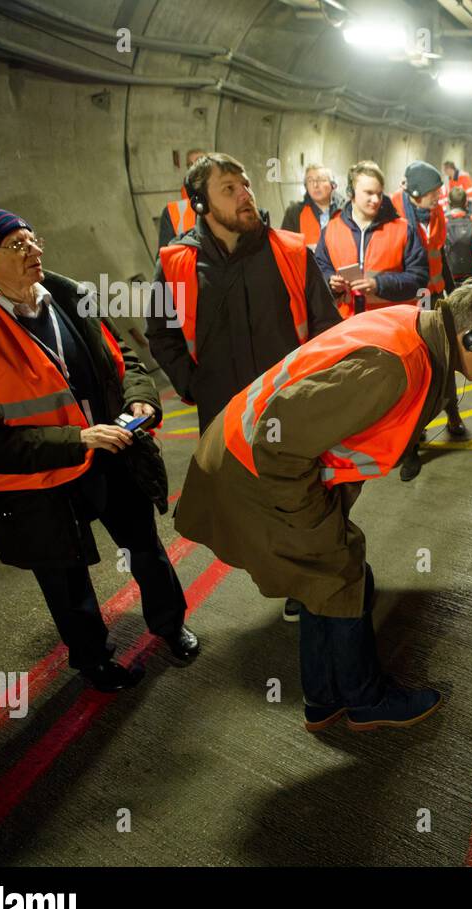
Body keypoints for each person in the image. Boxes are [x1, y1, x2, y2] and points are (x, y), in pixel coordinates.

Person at [172, 282, 472, 733]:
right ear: (471, 337)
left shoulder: (416, 330)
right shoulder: (393, 368)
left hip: (249, 457)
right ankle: (365, 701)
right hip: (255, 468)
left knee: (325, 577)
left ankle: (323, 701)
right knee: (340, 572)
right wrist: (311, 522)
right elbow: (280, 442)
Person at [0, 205, 198, 691]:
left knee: (144, 549)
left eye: (31, 237)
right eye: (15, 246)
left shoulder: (71, 295)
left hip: (111, 454)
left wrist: (139, 400)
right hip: (36, 483)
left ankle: (170, 624)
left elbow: (126, 360)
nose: (34, 250)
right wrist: (76, 440)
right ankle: (94, 659)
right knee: (64, 577)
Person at [147, 152, 342, 624]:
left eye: (246, 185)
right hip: (225, 414)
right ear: (200, 203)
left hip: (291, 409)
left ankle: (306, 585)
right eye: (228, 189)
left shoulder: (292, 251)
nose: (245, 196)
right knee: (248, 505)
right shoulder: (176, 264)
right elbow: (161, 335)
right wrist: (195, 386)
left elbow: (326, 328)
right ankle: (282, 572)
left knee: (303, 498)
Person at [391, 160, 466, 478]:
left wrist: (453, 292)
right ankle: (410, 447)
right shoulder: (392, 215)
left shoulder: (434, 214)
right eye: (435, 193)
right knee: (410, 372)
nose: (440, 199)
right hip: (405, 303)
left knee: (444, 360)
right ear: (417, 193)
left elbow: (439, 256)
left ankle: (452, 413)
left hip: (434, 299)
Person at [315, 160, 428, 319]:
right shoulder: (330, 231)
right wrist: (331, 282)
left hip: (391, 325)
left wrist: (378, 285)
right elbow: (319, 271)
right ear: (351, 192)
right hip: (346, 325)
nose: (375, 200)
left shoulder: (403, 230)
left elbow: (419, 278)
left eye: (379, 194)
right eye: (369, 193)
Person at [281, 164, 344, 249]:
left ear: (333, 185)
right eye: (310, 181)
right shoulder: (294, 212)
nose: (315, 185)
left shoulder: (346, 211)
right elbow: (285, 246)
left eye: (321, 180)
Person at [156, 148, 207, 252]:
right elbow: (164, 258)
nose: (195, 167)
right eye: (190, 164)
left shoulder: (225, 205)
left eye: (199, 161)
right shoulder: (172, 211)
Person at [443, 186, 472, 283]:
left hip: (451, 274)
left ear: (449, 203)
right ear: (466, 203)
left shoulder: (443, 221)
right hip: (471, 273)